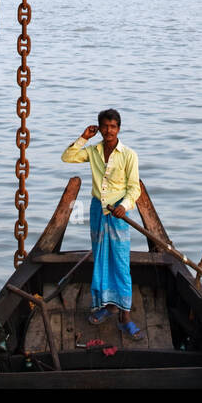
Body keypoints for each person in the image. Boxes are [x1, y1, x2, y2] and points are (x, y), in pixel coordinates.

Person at [61, 108, 144, 340]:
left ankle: (125, 317)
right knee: (101, 258)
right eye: (105, 126)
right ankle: (109, 307)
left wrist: (125, 206)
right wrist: (83, 137)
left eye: (113, 126)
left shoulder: (129, 155)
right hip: (98, 210)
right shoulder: (93, 150)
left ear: (119, 129)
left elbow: (134, 188)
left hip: (118, 214)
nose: (109, 130)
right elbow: (66, 157)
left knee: (120, 261)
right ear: (100, 129)